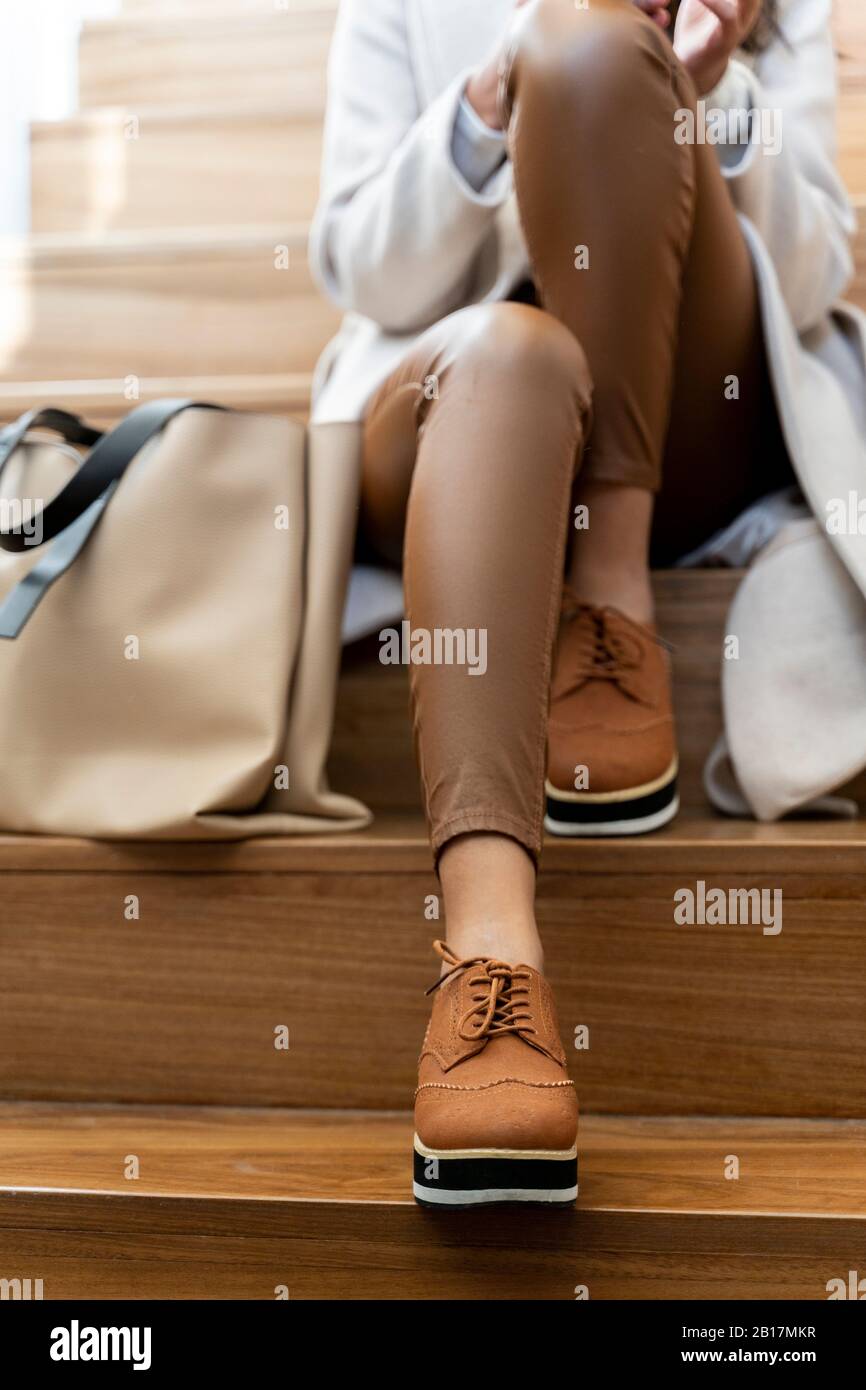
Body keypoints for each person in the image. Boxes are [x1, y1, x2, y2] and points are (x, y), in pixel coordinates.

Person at [310, 0, 860, 1205]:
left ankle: (608, 601)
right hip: (455, 406)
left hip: (692, 419)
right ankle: (489, 958)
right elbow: (355, 259)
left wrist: (699, 96)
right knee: (516, 349)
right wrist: (498, 97)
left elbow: (819, 271)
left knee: (602, 48)